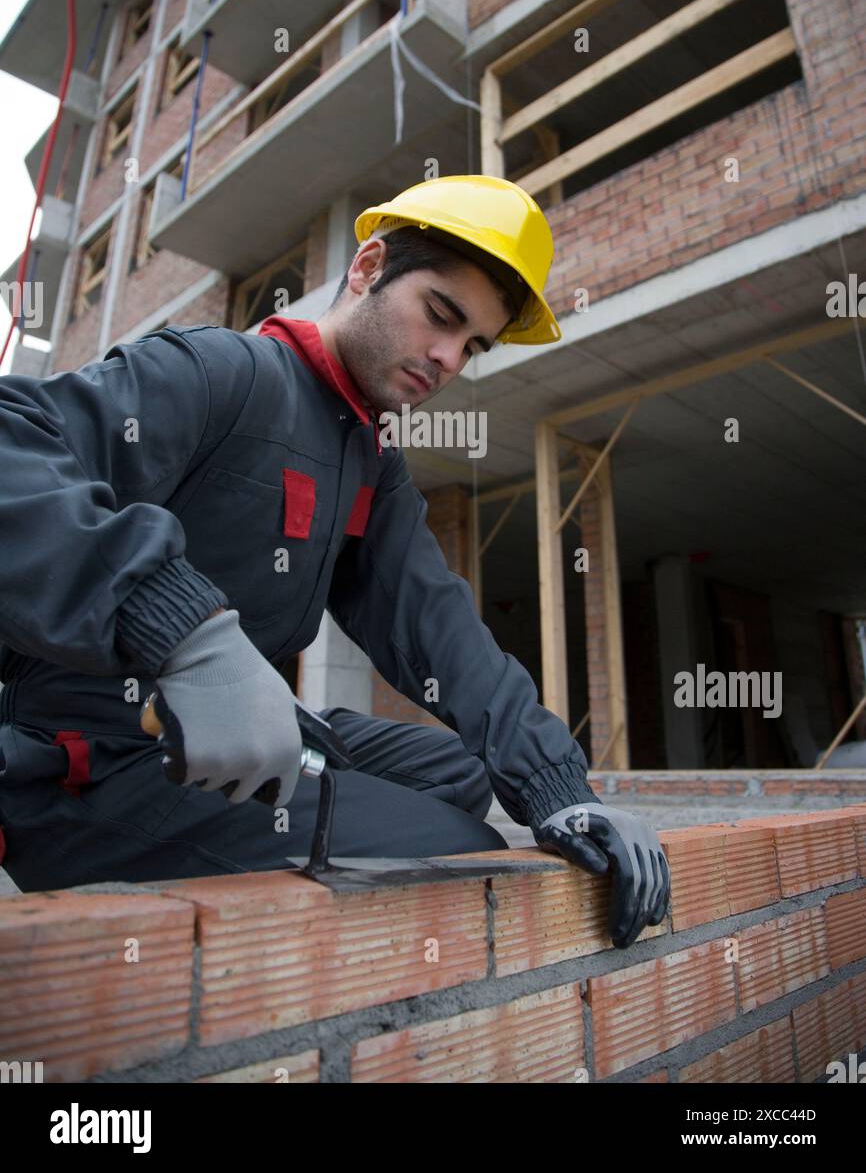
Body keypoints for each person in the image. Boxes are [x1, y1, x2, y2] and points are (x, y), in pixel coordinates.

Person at [0, 175, 669, 948]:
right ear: (367, 267)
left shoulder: (370, 462)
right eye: (441, 314)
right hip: (92, 758)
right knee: (457, 857)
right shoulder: (225, 373)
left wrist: (559, 791)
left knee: (460, 774)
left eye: (472, 345)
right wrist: (185, 633)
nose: (448, 357)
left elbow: (439, 626)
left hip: (228, 743)